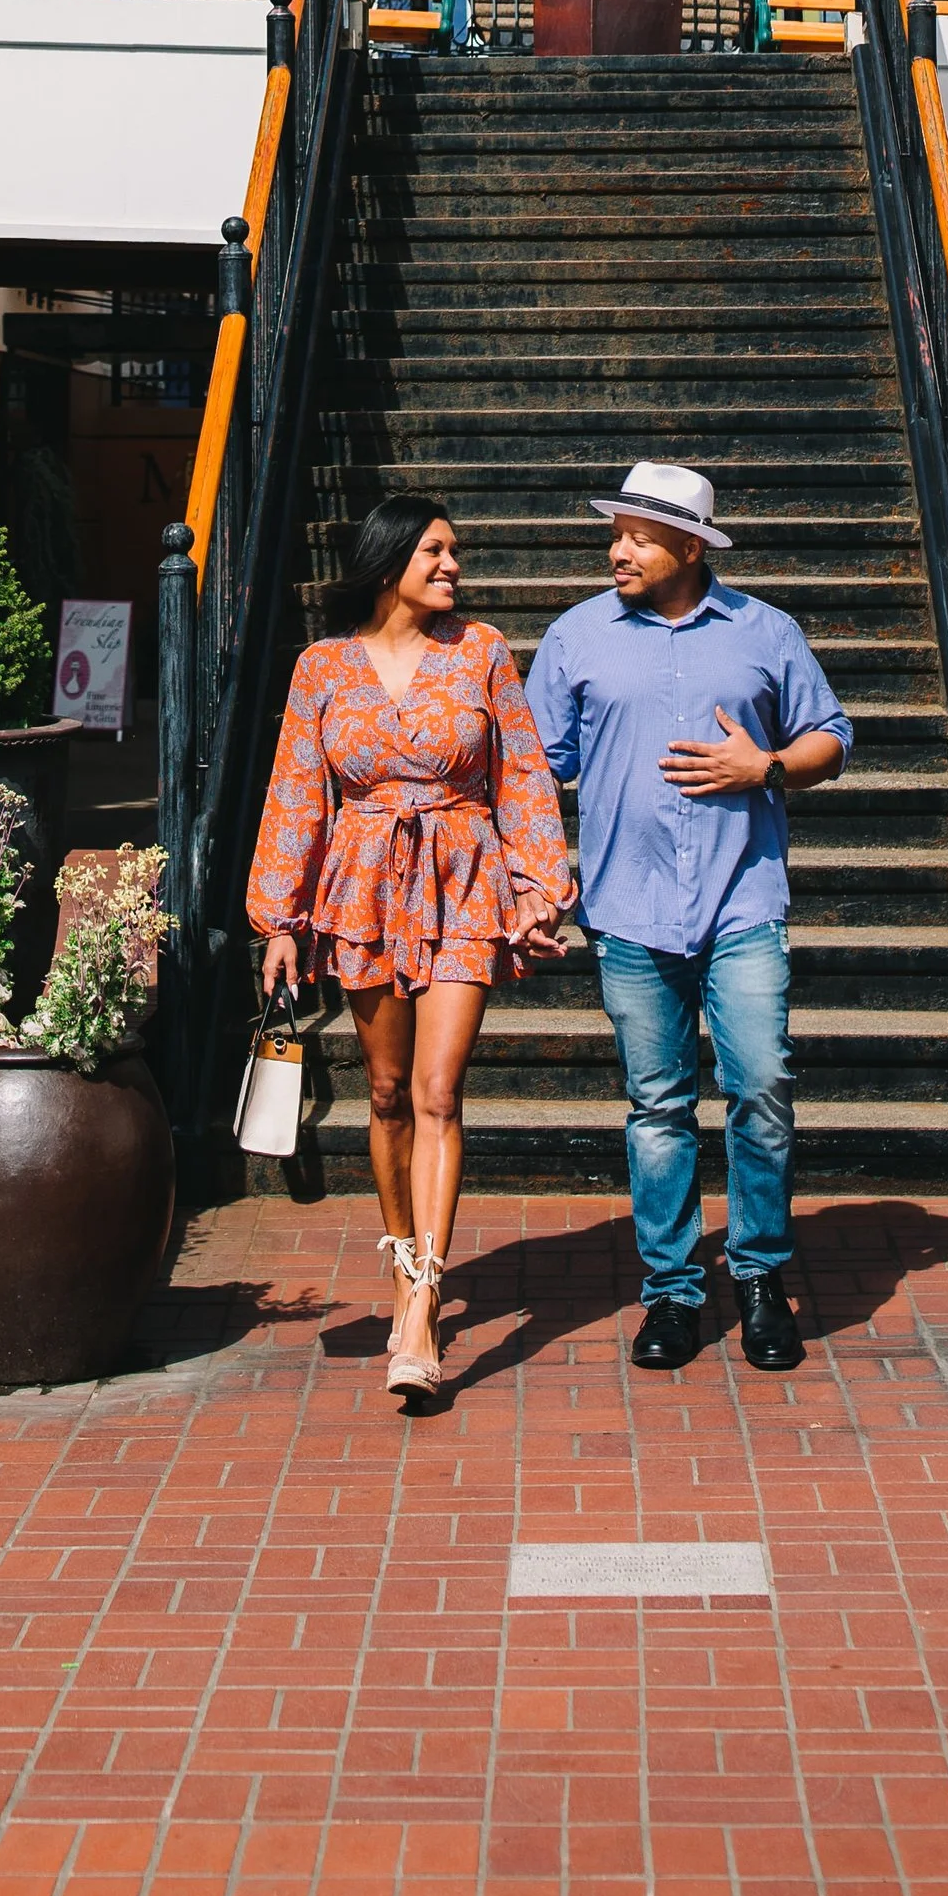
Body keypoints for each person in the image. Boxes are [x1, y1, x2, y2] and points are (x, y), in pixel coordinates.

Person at [248, 492, 574, 1402]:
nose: (453, 567)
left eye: (456, 553)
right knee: (386, 1093)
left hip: (467, 878)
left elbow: (523, 777)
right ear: (388, 562)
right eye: (436, 551)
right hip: (360, 890)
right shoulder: (321, 668)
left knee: (438, 1090)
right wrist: (278, 918)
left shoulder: (481, 654)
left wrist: (541, 889)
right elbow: (295, 793)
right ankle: (401, 1269)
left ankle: (423, 1307)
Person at [526, 460, 849, 1375]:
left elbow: (834, 734)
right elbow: (532, 771)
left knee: (761, 1093)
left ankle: (760, 1280)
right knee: (658, 1108)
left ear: (691, 545)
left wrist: (769, 769)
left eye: (636, 534)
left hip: (743, 901)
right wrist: (534, 881)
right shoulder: (576, 637)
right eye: (616, 530)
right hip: (627, 910)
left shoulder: (764, 632)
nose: (616, 548)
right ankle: (671, 1292)